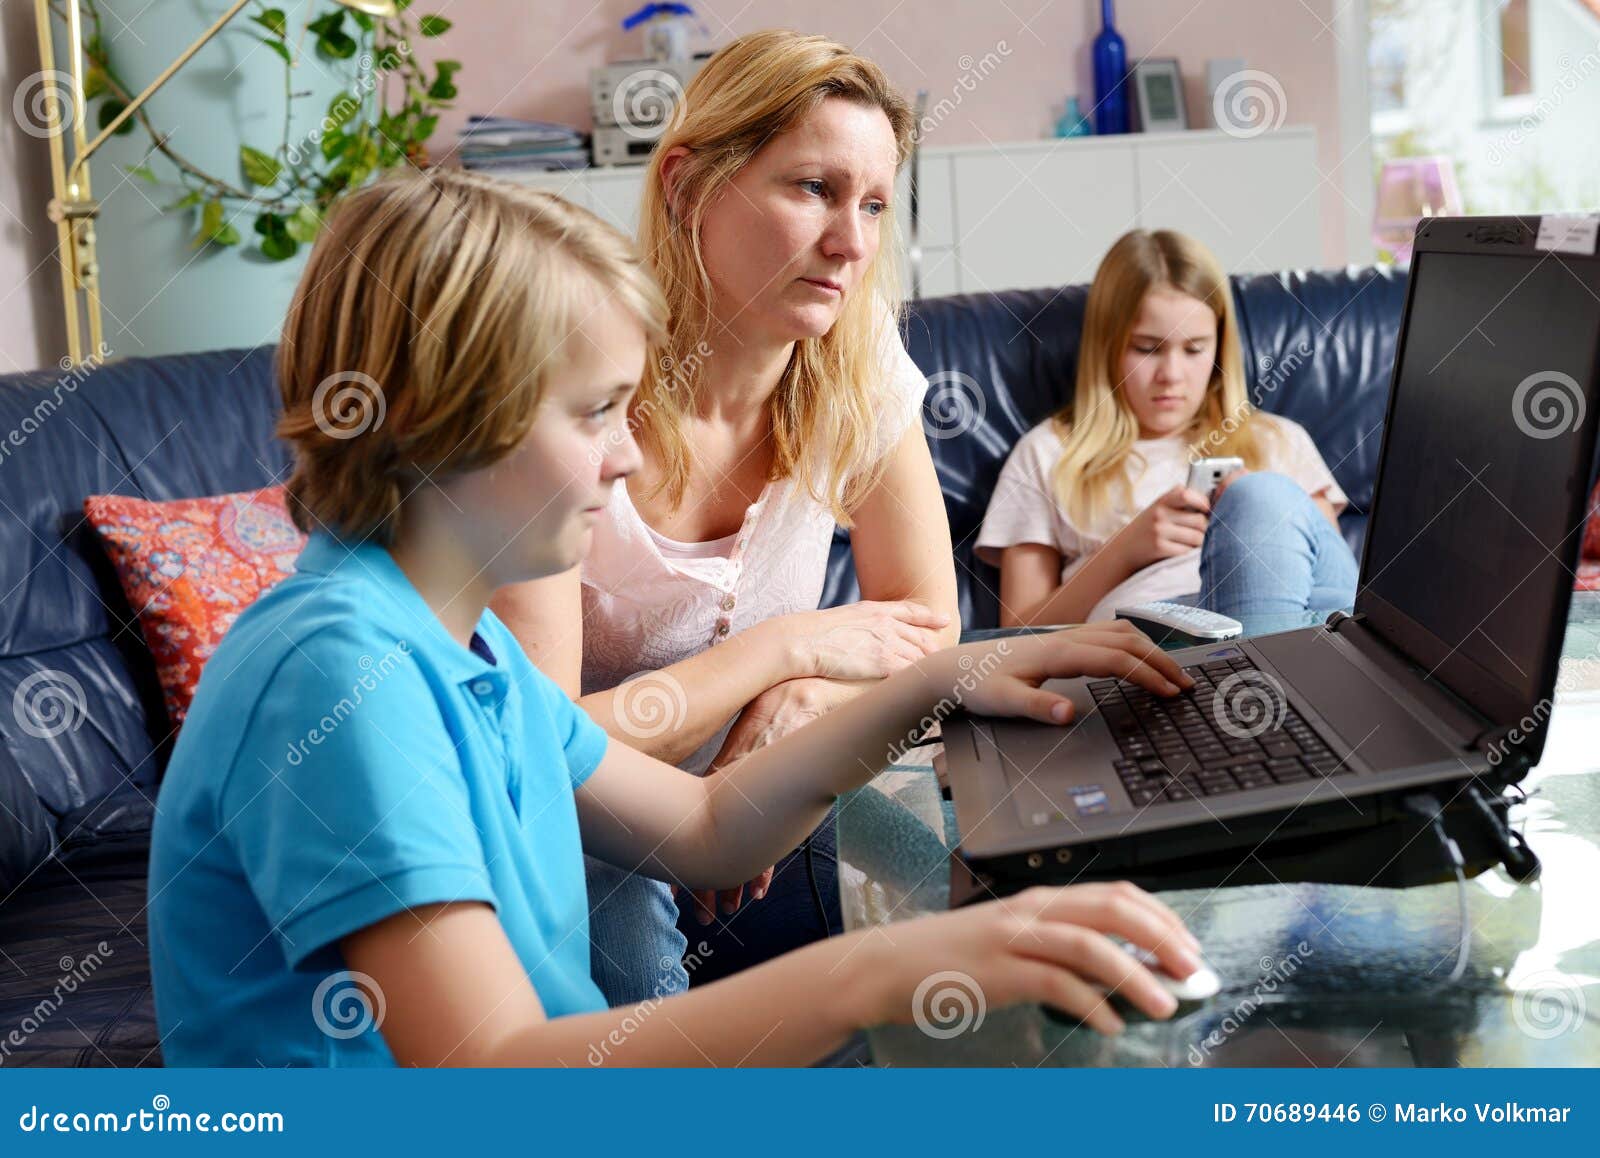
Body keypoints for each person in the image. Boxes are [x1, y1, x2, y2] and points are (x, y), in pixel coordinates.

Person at [146, 168, 1203, 1066]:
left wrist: (944, 676)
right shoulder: (338, 671)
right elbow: (491, 1074)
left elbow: (707, 829)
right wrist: (875, 973)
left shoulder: (469, 649)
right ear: (438, 419)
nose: (626, 456)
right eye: (595, 412)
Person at [491, 30, 959, 1005]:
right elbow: (544, 747)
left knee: (978, 852)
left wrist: (798, 704)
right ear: (687, 186)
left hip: (766, 799)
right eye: (814, 189)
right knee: (604, 868)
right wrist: (779, 651)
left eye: (874, 204)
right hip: (585, 819)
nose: (852, 243)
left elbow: (929, 627)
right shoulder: (575, 389)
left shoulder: (859, 363)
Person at [976, 229, 1358, 628]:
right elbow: (1020, 635)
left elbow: (1334, 586)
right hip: (1168, 631)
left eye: (1194, 349)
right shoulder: (1048, 454)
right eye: (1147, 349)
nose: (1172, 375)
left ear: (1220, 346)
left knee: (1258, 497)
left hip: (1298, 619)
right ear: (1106, 346)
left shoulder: (1278, 440)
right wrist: (1124, 550)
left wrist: (1247, 520)